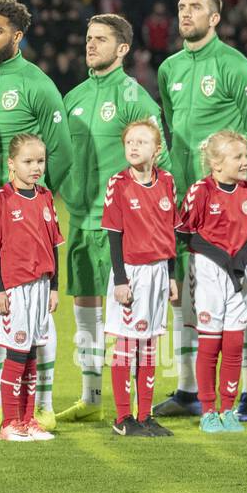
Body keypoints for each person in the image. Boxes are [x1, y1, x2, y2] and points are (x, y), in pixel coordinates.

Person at [154, 0, 247, 422]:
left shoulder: (236, 68)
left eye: (196, 7)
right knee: (187, 300)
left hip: (228, 209)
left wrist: (239, 193)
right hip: (186, 204)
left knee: (243, 298)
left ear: (215, 18)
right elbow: (171, 127)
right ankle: (190, 391)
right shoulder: (169, 69)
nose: (186, 13)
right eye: (182, 6)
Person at [0, 0, 70, 432]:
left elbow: (59, 149)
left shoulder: (37, 84)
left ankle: (41, 404)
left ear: (17, 36)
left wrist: (40, 196)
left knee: (38, 302)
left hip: (24, 210)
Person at [58, 14, 170, 428]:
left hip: (123, 230)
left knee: (129, 318)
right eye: (88, 38)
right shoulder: (73, 98)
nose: (90, 45)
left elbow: (162, 161)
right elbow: (58, 156)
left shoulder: (135, 98)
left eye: (100, 40)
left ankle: (136, 407)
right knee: (85, 305)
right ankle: (91, 396)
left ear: (122, 49)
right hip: (80, 220)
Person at [175, 130, 247, 434]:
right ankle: (208, 411)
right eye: (237, 156)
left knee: (235, 343)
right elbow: (186, 234)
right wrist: (225, 261)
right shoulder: (200, 191)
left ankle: (229, 409)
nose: (244, 162)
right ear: (216, 162)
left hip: (240, 272)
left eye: (245, 156)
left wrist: (239, 264)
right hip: (209, 272)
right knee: (210, 344)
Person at [0, 134, 63, 442]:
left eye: (40, 161)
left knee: (31, 356)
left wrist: (54, 286)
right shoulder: (1, 198)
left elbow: (53, 245)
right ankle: (9, 423)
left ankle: (28, 421)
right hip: (15, 288)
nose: (35, 167)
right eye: (28, 162)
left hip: (41, 287)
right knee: (15, 354)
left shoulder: (45, 197)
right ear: (11, 164)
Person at [100, 119, 179, 437]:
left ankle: (145, 415)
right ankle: (123, 417)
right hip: (130, 274)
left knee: (149, 345)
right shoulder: (118, 183)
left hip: (159, 272)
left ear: (157, 150)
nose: (133, 147)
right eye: (129, 141)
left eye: (142, 142)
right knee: (126, 344)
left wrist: (172, 275)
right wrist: (120, 279)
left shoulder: (168, 182)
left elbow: (170, 230)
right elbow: (114, 233)